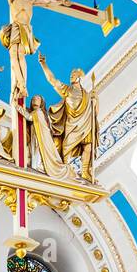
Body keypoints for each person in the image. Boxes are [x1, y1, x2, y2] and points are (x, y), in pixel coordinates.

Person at [38, 51, 98, 182]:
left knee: (88, 147)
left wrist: (95, 99)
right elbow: (52, 80)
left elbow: (95, 114)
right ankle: (63, 172)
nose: (71, 76)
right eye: (71, 75)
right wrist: (44, 65)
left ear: (79, 78)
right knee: (66, 150)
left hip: (86, 124)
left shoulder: (87, 95)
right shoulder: (67, 90)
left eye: (74, 75)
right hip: (72, 125)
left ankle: (85, 173)